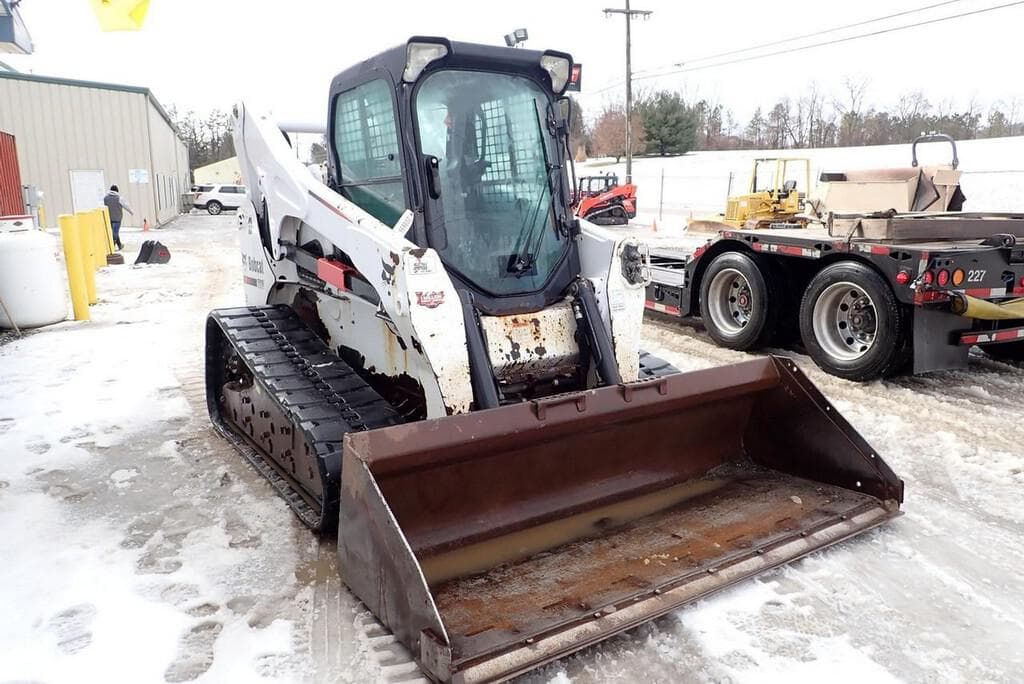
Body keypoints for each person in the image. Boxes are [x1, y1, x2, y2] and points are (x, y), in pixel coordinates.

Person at [103, 185, 134, 250]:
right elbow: (126, 206)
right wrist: (131, 212)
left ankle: (120, 245)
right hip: (117, 218)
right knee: (115, 233)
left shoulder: (105, 198)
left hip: (109, 218)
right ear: (117, 191)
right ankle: (112, 246)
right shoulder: (119, 198)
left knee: (114, 232)